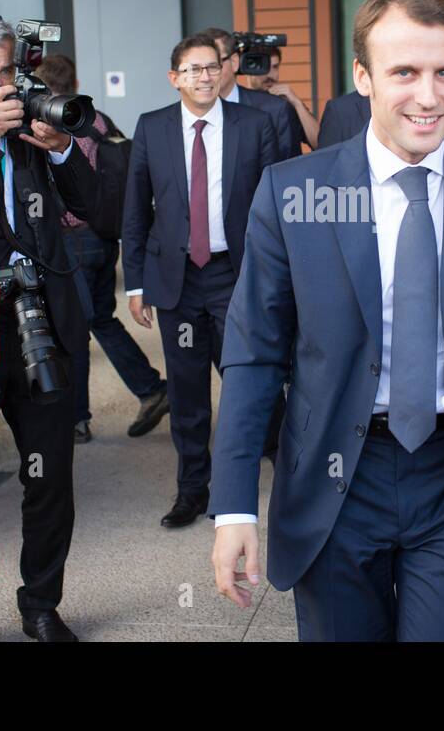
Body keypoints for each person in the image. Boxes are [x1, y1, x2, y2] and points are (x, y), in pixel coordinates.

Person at [209, 0, 444, 641]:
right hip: (333, 479)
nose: (428, 96)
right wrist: (233, 506)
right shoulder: (294, 192)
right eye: (404, 71)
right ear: (363, 77)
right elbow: (255, 353)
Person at [0, 13, 98, 642]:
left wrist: (61, 150)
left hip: (43, 324)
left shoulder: (35, 131)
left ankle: (40, 602)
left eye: (6, 70)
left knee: (49, 478)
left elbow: (97, 209)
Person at [122, 34, 277, 528]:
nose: (204, 77)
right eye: (192, 70)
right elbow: (135, 208)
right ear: (175, 78)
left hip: (237, 275)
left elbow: (275, 209)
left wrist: (276, 279)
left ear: (225, 71)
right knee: (187, 396)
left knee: (250, 383)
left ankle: (270, 480)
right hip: (177, 279)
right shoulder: (152, 128)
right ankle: (192, 491)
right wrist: (136, 282)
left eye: (212, 67)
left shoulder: (255, 125)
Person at [34, 55, 170, 443]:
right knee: (100, 319)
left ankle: (77, 418)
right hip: (104, 237)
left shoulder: (45, 123)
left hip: (70, 240)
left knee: (73, 330)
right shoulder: (94, 119)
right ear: (74, 80)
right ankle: (151, 388)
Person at [203, 27, 301, 160]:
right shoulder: (187, 114)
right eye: (197, 67)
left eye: (214, 64)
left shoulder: (275, 110)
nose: (205, 74)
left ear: (235, 62)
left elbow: (289, 169)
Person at [236, 45, 319, 149]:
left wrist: (297, 103)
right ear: (249, 67)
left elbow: (320, 143)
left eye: (275, 67)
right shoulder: (235, 102)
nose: (270, 75)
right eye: (264, 66)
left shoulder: (287, 104)